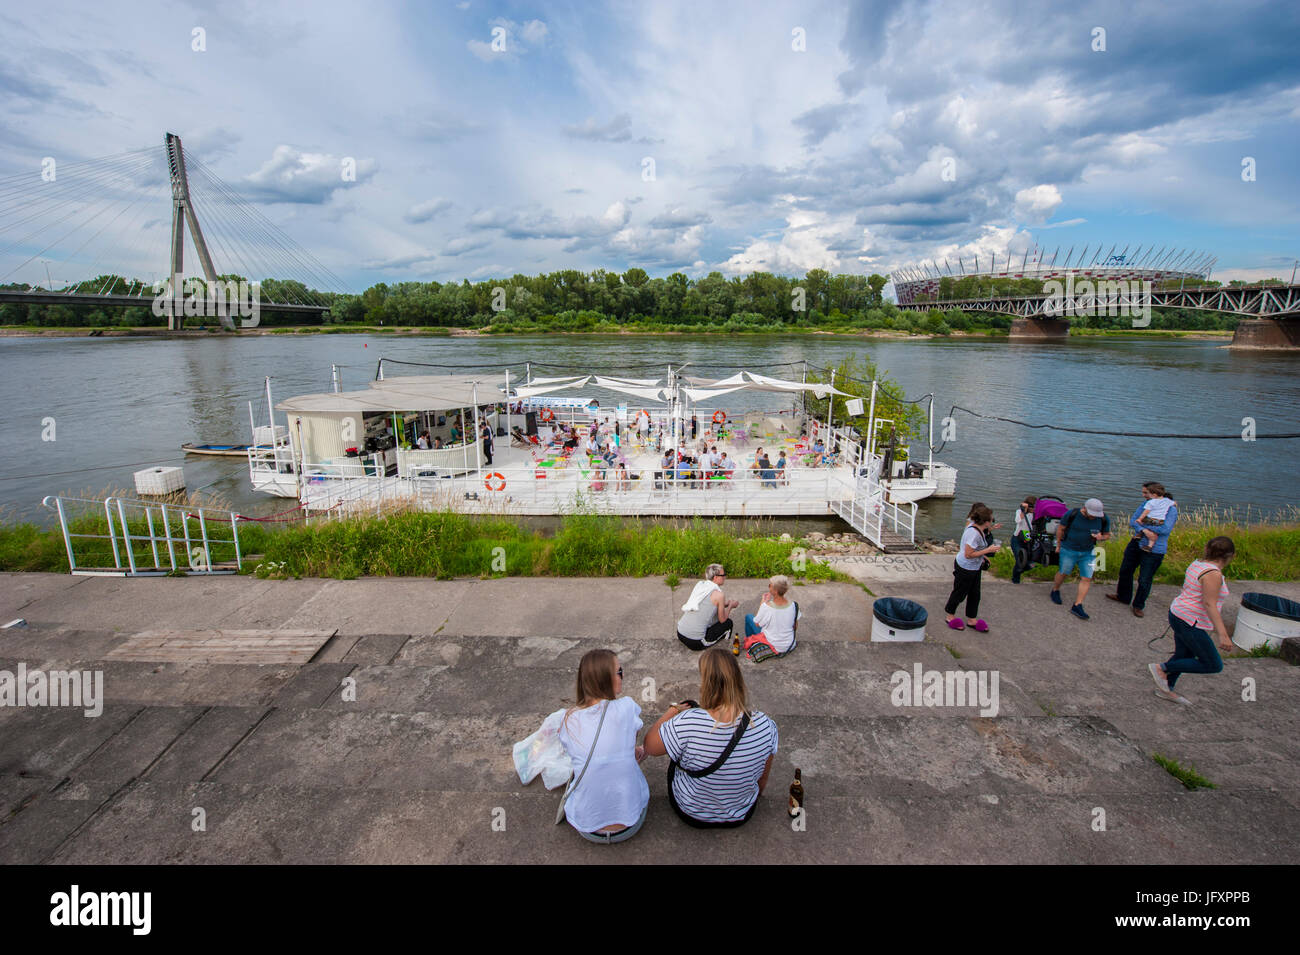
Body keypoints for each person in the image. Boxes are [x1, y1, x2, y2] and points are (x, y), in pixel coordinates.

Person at [642, 647, 778, 828]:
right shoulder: (766, 726)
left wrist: (673, 710)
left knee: (676, 747)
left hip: (691, 811)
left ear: (706, 684)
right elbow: (761, 783)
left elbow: (649, 746)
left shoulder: (687, 721)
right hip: (740, 812)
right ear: (738, 680)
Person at [556, 649, 650, 843]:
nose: (622, 676)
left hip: (586, 827)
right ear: (605, 679)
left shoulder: (569, 720)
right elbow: (631, 737)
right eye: (619, 671)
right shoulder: (627, 707)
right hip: (629, 825)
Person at [1148, 537, 1235, 705]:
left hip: (1179, 613)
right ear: (1231, 556)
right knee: (1213, 664)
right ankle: (1163, 668)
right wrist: (1223, 634)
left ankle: (1166, 688)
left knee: (1183, 655)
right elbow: (1210, 604)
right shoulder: (1213, 574)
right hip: (1190, 621)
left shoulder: (1197, 564)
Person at [1107, 482, 1179, 618]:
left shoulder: (1171, 510)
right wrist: (1144, 530)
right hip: (1136, 543)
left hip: (1155, 549)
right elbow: (1133, 521)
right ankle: (1123, 596)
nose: (1143, 495)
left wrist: (1144, 525)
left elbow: (1165, 529)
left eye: (1146, 493)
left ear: (1155, 494)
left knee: (1145, 578)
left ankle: (1138, 605)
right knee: (1125, 570)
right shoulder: (1146, 504)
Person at [1051, 498, 1111, 620]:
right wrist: (1058, 545)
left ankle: (1077, 605)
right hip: (1068, 549)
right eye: (1092, 514)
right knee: (1063, 572)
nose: (1094, 517)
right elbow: (1061, 528)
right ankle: (1055, 589)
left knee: (1086, 578)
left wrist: (1101, 538)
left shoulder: (1104, 518)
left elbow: (1107, 535)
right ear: (1085, 509)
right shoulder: (1072, 514)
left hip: (1088, 551)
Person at [944, 503, 999, 631]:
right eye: (991, 519)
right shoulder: (973, 533)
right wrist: (987, 551)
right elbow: (968, 554)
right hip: (965, 567)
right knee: (959, 592)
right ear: (985, 521)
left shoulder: (979, 529)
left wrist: (983, 557)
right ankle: (950, 616)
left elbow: (973, 550)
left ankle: (972, 619)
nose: (992, 521)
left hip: (975, 566)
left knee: (975, 593)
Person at [676, 564, 740, 650]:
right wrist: (730, 606)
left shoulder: (701, 585)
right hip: (695, 641)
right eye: (723, 575)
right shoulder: (719, 595)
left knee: (712, 619)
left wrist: (725, 604)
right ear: (715, 577)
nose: (725, 577)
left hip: (680, 633)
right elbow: (722, 620)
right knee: (728, 623)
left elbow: (708, 602)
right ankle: (724, 649)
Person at [742, 575, 801, 656]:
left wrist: (763, 602)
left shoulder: (766, 606)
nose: (768, 587)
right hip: (789, 645)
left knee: (749, 617)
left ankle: (751, 644)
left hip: (773, 645)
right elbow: (795, 627)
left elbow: (757, 623)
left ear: (775, 591)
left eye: (770, 585)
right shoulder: (794, 605)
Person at [1010, 495, 1037, 584]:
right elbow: (1017, 520)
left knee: (1030, 563)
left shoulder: (1036, 515)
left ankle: (1019, 572)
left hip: (1028, 540)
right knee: (1020, 560)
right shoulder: (1020, 512)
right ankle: (1015, 580)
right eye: (1032, 507)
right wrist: (1023, 510)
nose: (1033, 509)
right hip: (1017, 539)